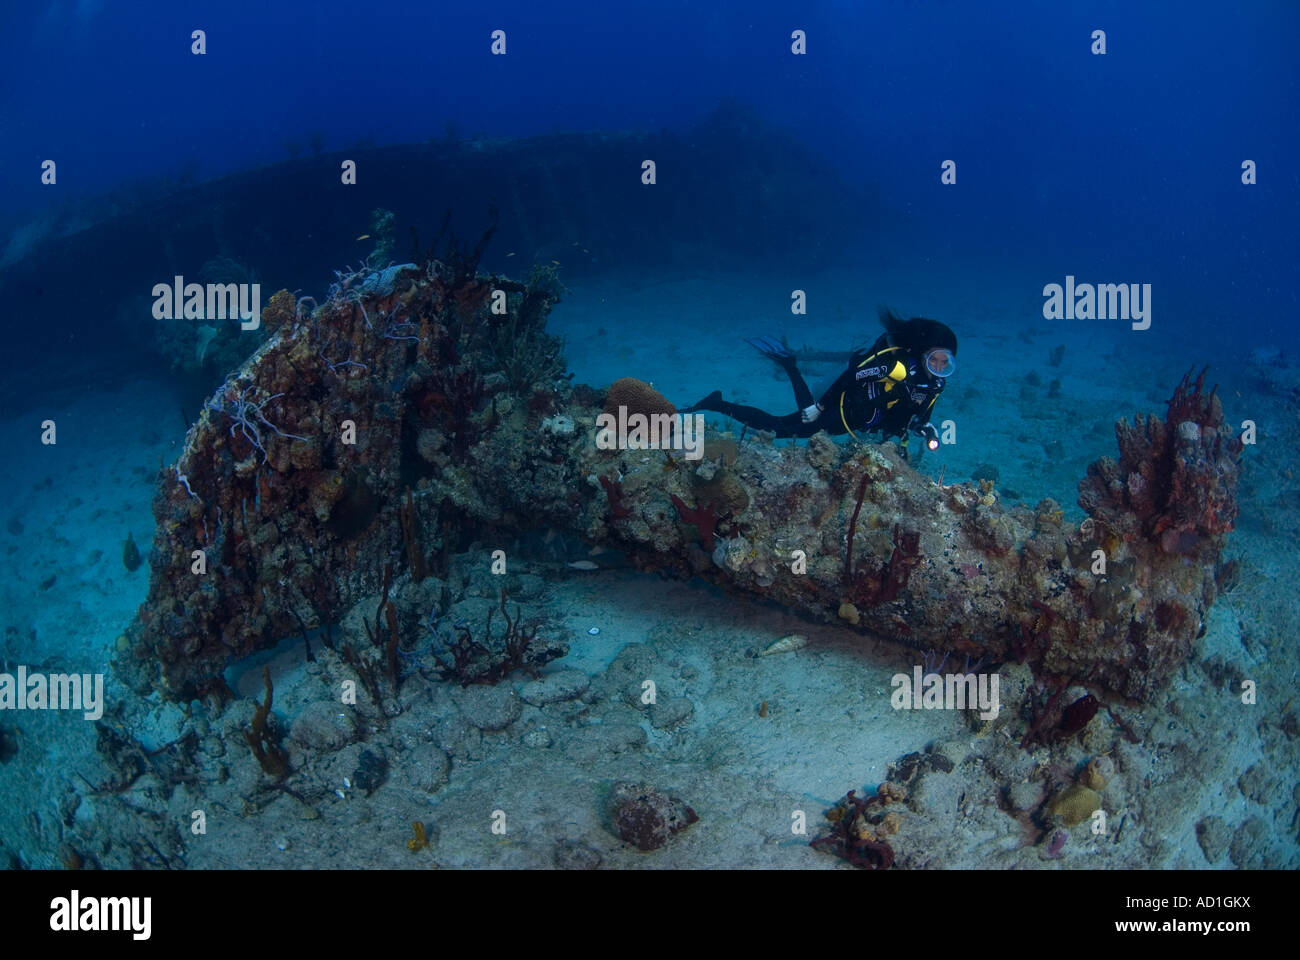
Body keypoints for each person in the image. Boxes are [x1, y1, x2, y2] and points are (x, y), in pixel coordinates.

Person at [682, 308, 957, 456]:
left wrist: (925, 430)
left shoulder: (935, 385)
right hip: (842, 412)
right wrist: (822, 407)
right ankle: (716, 404)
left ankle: (789, 366)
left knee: (792, 418)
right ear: (921, 353)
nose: (939, 368)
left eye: (945, 362)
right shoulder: (894, 367)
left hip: (869, 424)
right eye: (935, 360)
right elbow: (851, 375)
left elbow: (919, 417)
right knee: (778, 429)